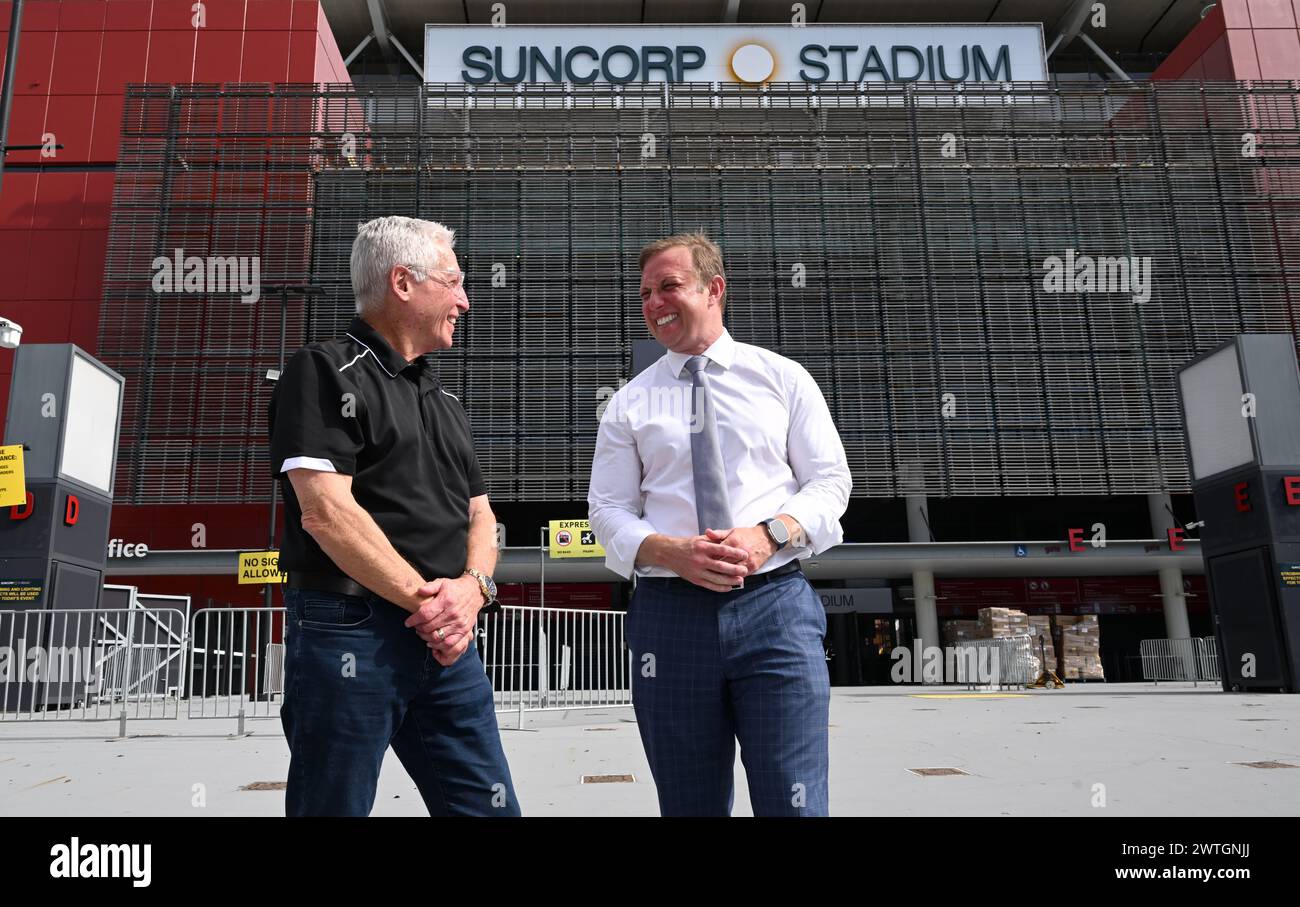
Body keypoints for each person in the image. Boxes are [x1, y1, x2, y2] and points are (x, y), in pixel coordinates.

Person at [588, 231, 852, 816]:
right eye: (646, 292)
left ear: (715, 289)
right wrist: (669, 551)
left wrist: (770, 534)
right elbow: (606, 511)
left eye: (669, 286)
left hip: (775, 608)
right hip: (670, 619)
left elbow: (832, 483)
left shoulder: (783, 379)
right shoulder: (628, 404)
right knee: (689, 805)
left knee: (795, 799)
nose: (654, 302)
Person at [268, 215, 519, 816]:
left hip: (446, 641)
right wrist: (433, 604)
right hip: (351, 631)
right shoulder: (322, 371)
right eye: (454, 282)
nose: (465, 299)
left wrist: (472, 592)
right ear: (403, 283)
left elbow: (482, 517)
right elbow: (326, 511)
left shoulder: (445, 401)